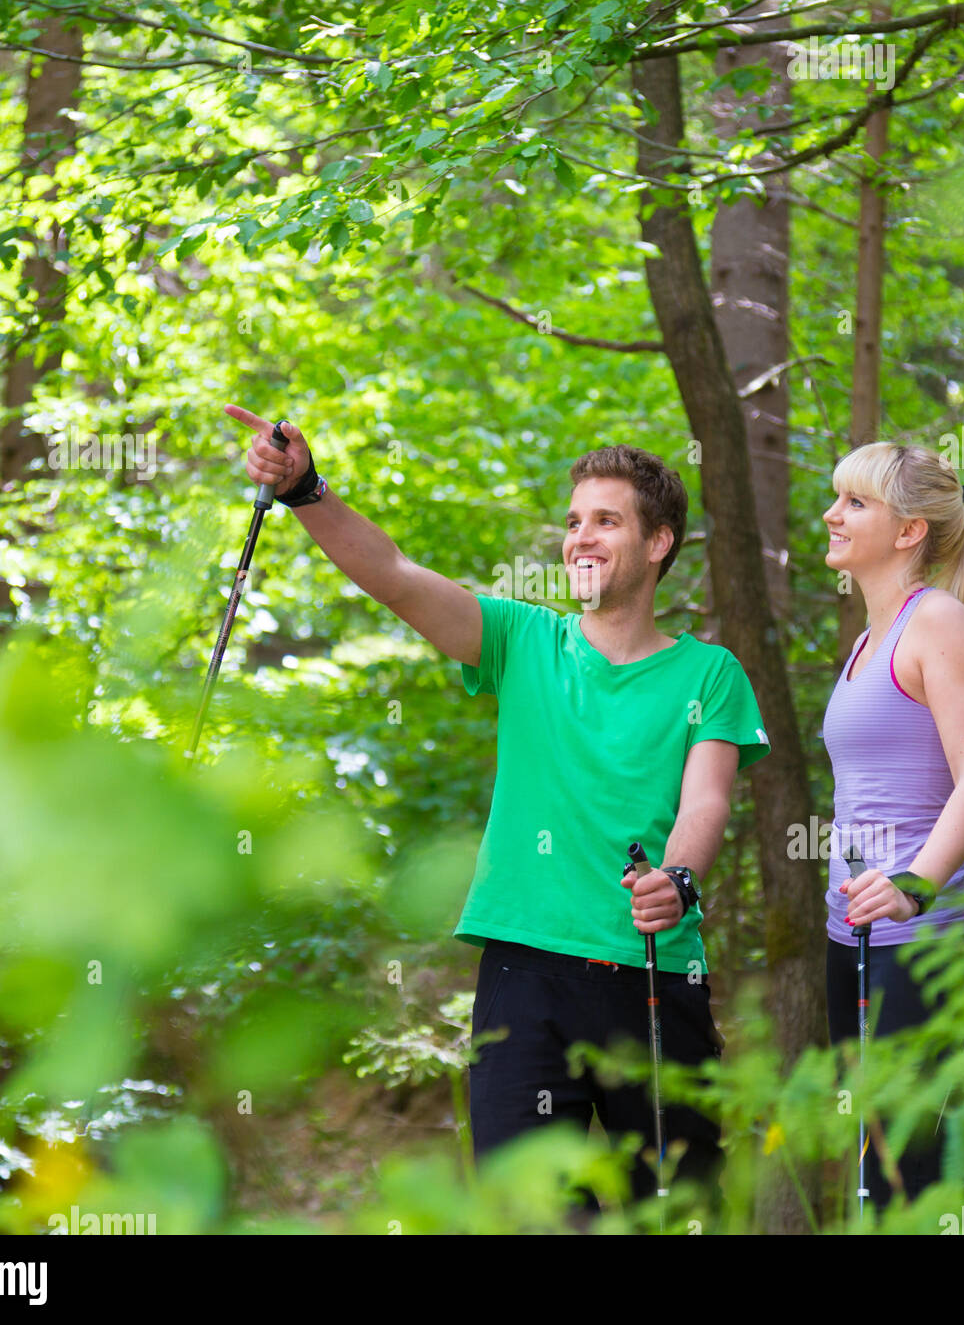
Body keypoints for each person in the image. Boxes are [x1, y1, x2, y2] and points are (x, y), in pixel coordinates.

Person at [225, 409, 771, 1213]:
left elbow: (708, 798)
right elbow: (396, 575)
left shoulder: (708, 673)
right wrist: (308, 491)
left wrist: (678, 879)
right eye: (575, 520)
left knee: (673, 1213)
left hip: (655, 973)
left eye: (607, 521)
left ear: (658, 543)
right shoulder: (524, 641)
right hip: (523, 975)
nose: (581, 537)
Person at [821, 441, 964, 1209]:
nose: (831, 515)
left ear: (908, 532)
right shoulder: (871, 637)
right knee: (888, 1174)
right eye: (836, 498)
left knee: (905, 1177)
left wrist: (911, 886)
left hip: (931, 946)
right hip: (856, 938)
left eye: (854, 503)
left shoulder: (940, 623)